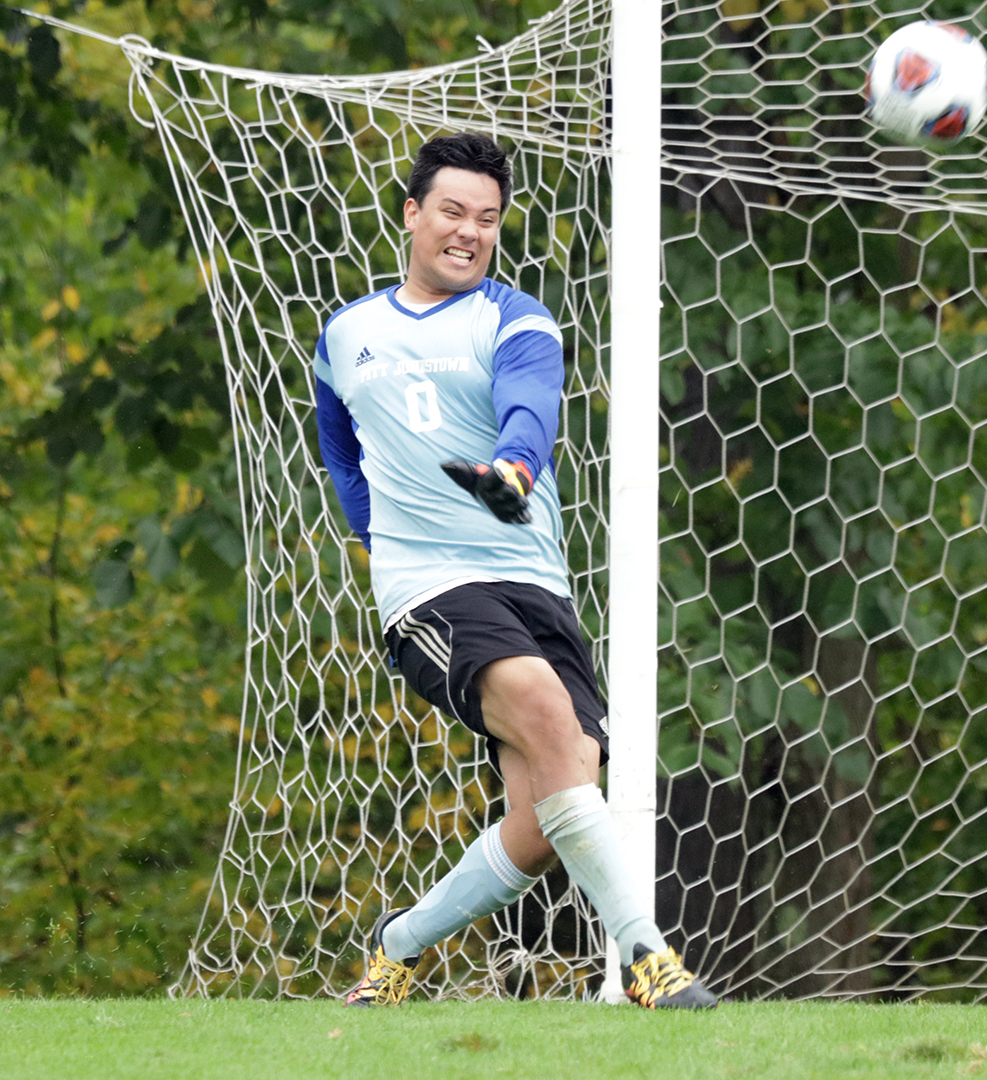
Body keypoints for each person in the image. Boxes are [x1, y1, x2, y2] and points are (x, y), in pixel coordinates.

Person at [313, 132, 716, 1010]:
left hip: (534, 582)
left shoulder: (518, 317)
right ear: (413, 214)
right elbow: (340, 456)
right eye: (452, 212)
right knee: (538, 704)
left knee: (546, 809)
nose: (469, 232)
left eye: (487, 219)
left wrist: (514, 473)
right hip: (428, 586)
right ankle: (647, 957)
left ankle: (398, 947)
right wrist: (384, 544)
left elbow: (530, 410)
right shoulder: (348, 334)